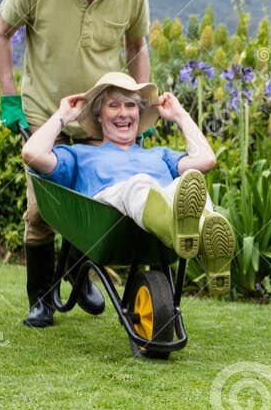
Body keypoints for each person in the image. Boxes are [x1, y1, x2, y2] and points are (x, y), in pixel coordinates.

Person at [0, 0, 148, 327]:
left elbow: (137, 48)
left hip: (101, 118)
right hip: (46, 116)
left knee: (94, 200)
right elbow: (0, 32)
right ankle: (41, 297)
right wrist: (9, 100)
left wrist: (140, 109)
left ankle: (80, 280)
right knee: (42, 208)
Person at [21, 72, 236, 293]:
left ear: (139, 112)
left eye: (130, 105)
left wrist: (180, 115)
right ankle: (178, 230)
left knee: (189, 181)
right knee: (139, 184)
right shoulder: (79, 155)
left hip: (160, 212)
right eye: (113, 105)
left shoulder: (160, 154)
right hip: (110, 216)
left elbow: (207, 160)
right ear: (98, 115)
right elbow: (31, 153)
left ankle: (207, 242)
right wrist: (63, 115)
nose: (123, 113)